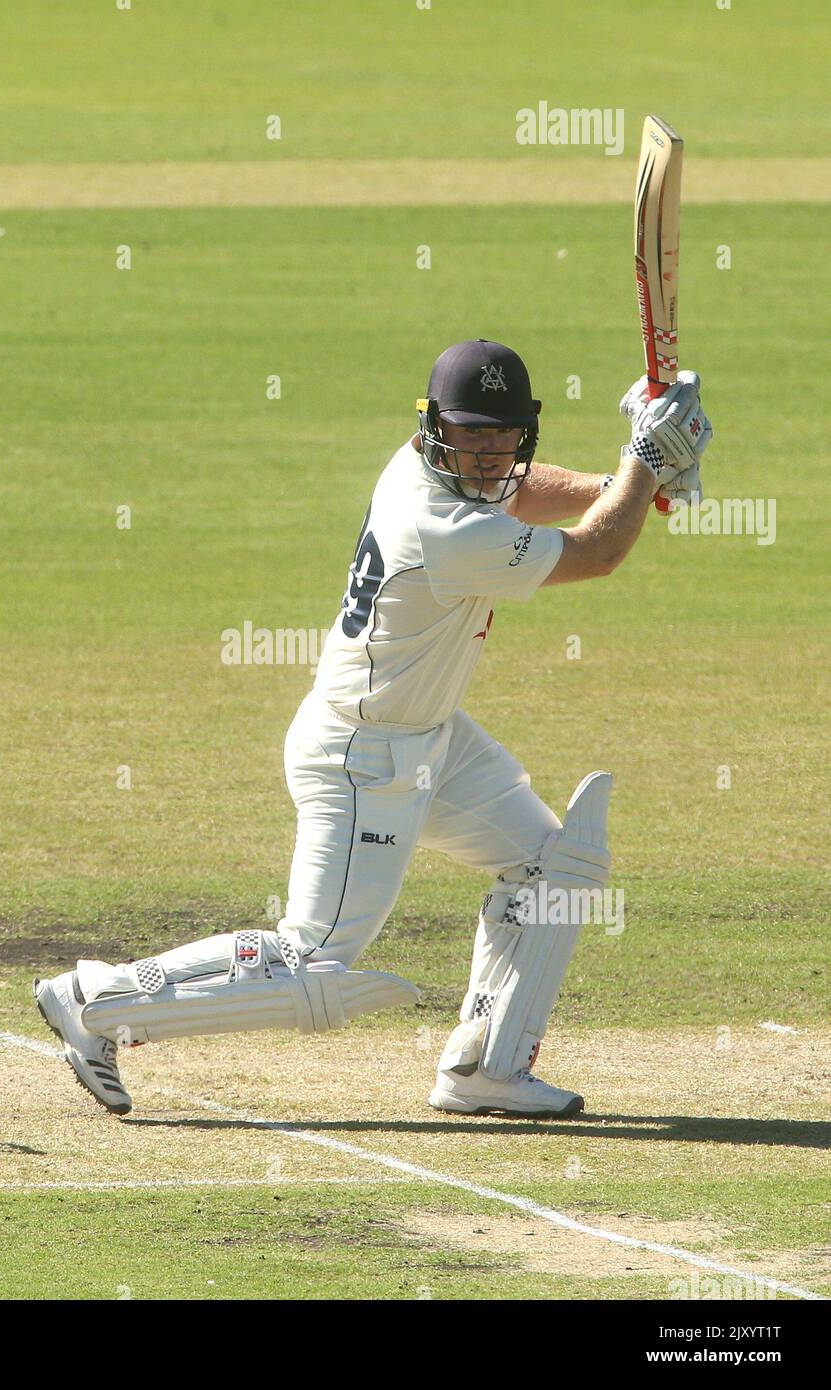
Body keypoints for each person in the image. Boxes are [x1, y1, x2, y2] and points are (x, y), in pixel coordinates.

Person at [34, 339, 711, 1119]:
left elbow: (519, 493)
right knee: (313, 960)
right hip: (364, 755)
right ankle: (95, 998)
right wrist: (641, 463)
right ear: (432, 426)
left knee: (552, 868)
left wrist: (626, 474)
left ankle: (486, 1069)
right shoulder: (446, 529)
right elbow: (596, 552)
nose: (488, 453)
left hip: (431, 737)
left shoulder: (429, 466)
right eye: (470, 434)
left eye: (502, 435)